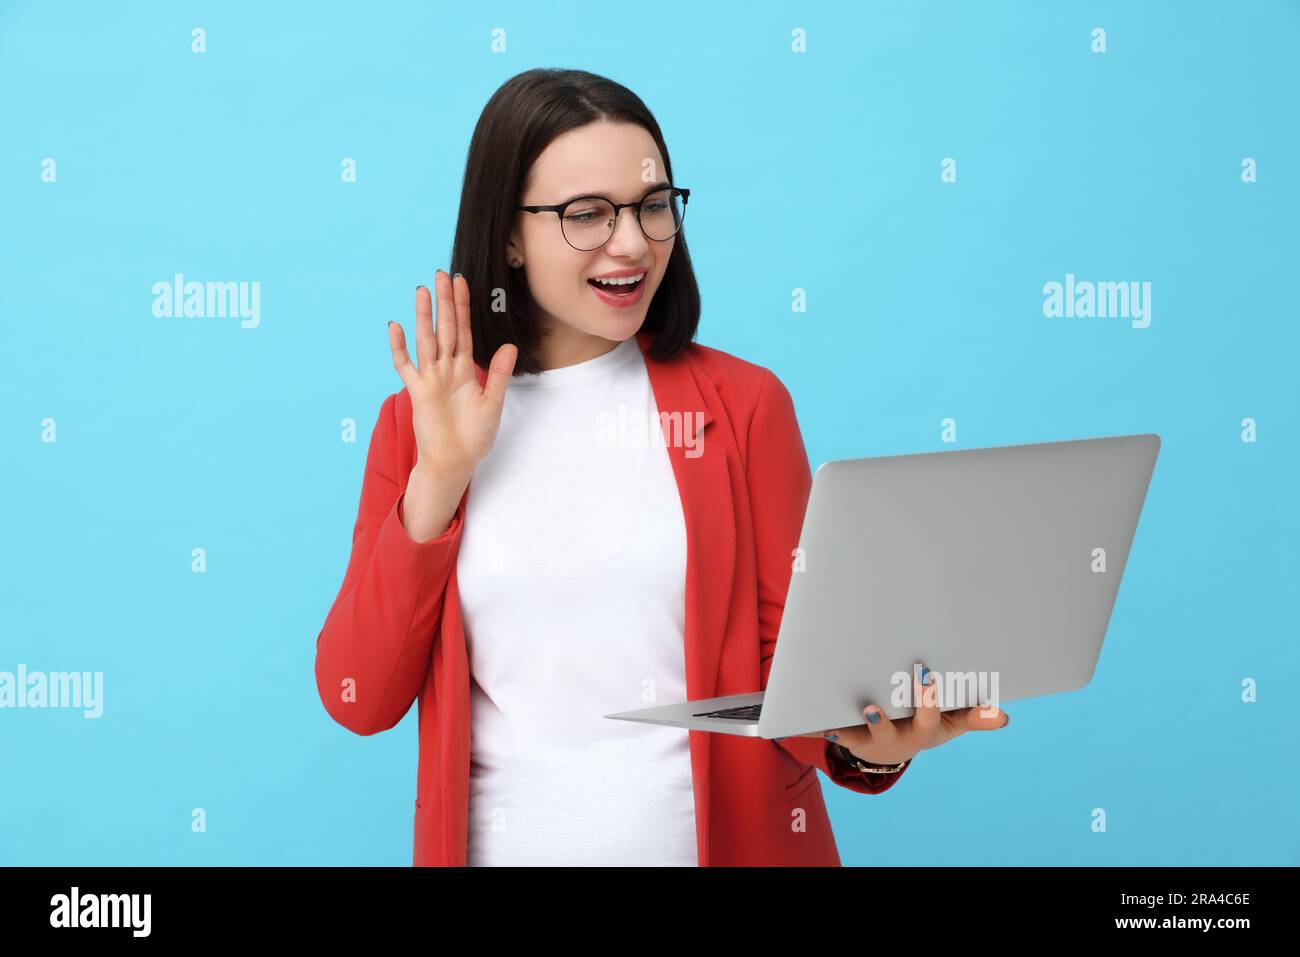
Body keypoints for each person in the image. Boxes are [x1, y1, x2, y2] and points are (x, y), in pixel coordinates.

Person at [314, 67, 1009, 867]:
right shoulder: (422, 422)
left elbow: (797, 675)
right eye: (587, 215)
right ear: (509, 232)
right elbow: (356, 695)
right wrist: (439, 475)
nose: (633, 242)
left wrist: (878, 742)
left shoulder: (744, 405)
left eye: (652, 205)